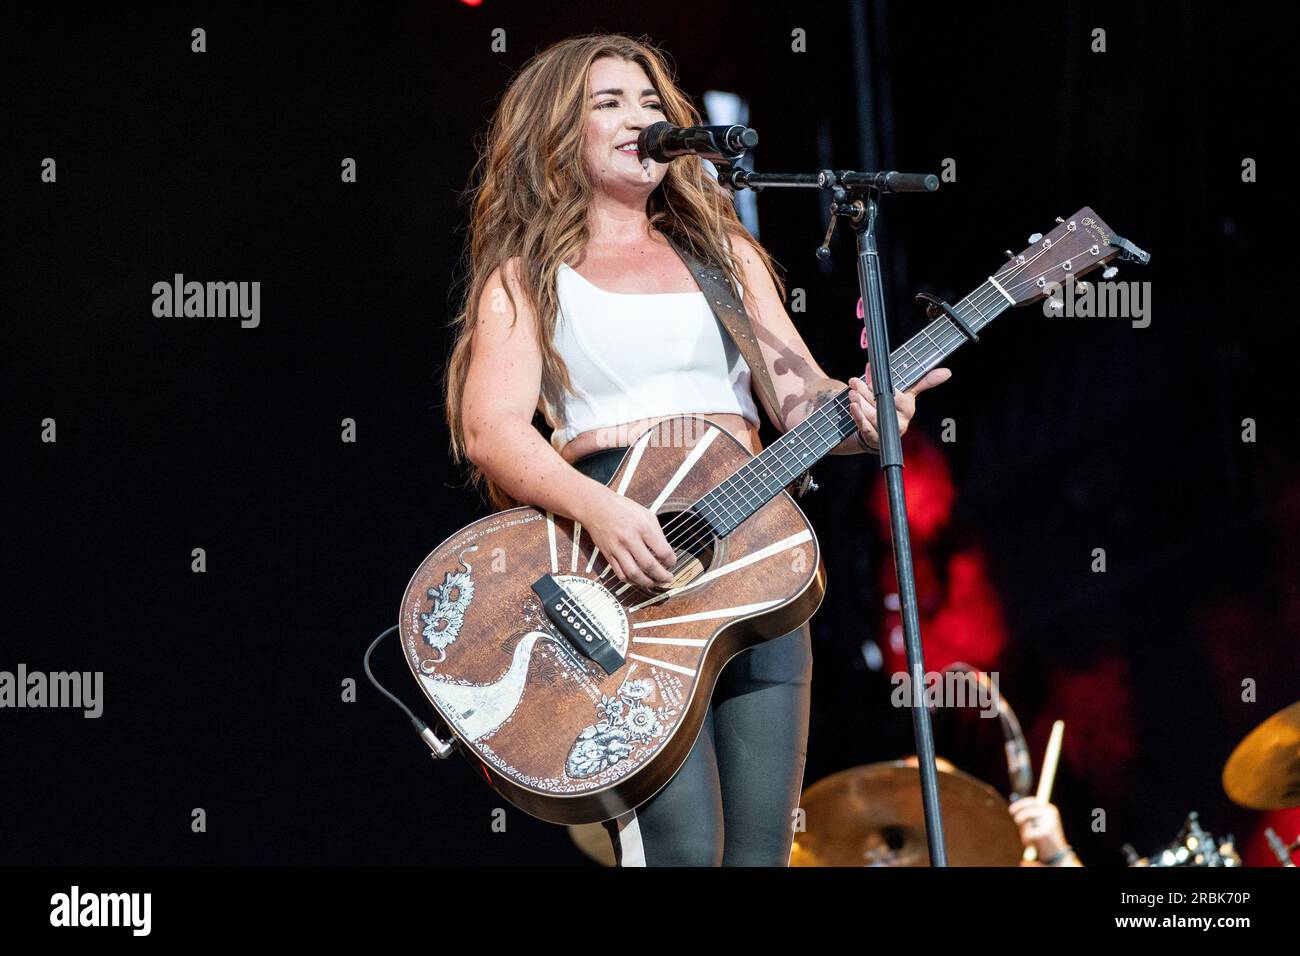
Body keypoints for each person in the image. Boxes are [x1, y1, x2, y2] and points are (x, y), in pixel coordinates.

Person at [442, 33, 950, 866]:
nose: (639, 118)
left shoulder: (725, 256)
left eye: (651, 104)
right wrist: (599, 508)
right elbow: (489, 429)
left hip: (754, 563)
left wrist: (864, 414)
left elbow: (799, 399)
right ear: (555, 134)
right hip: (619, 577)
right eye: (608, 104)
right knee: (679, 851)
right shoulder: (529, 271)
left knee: (760, 855)